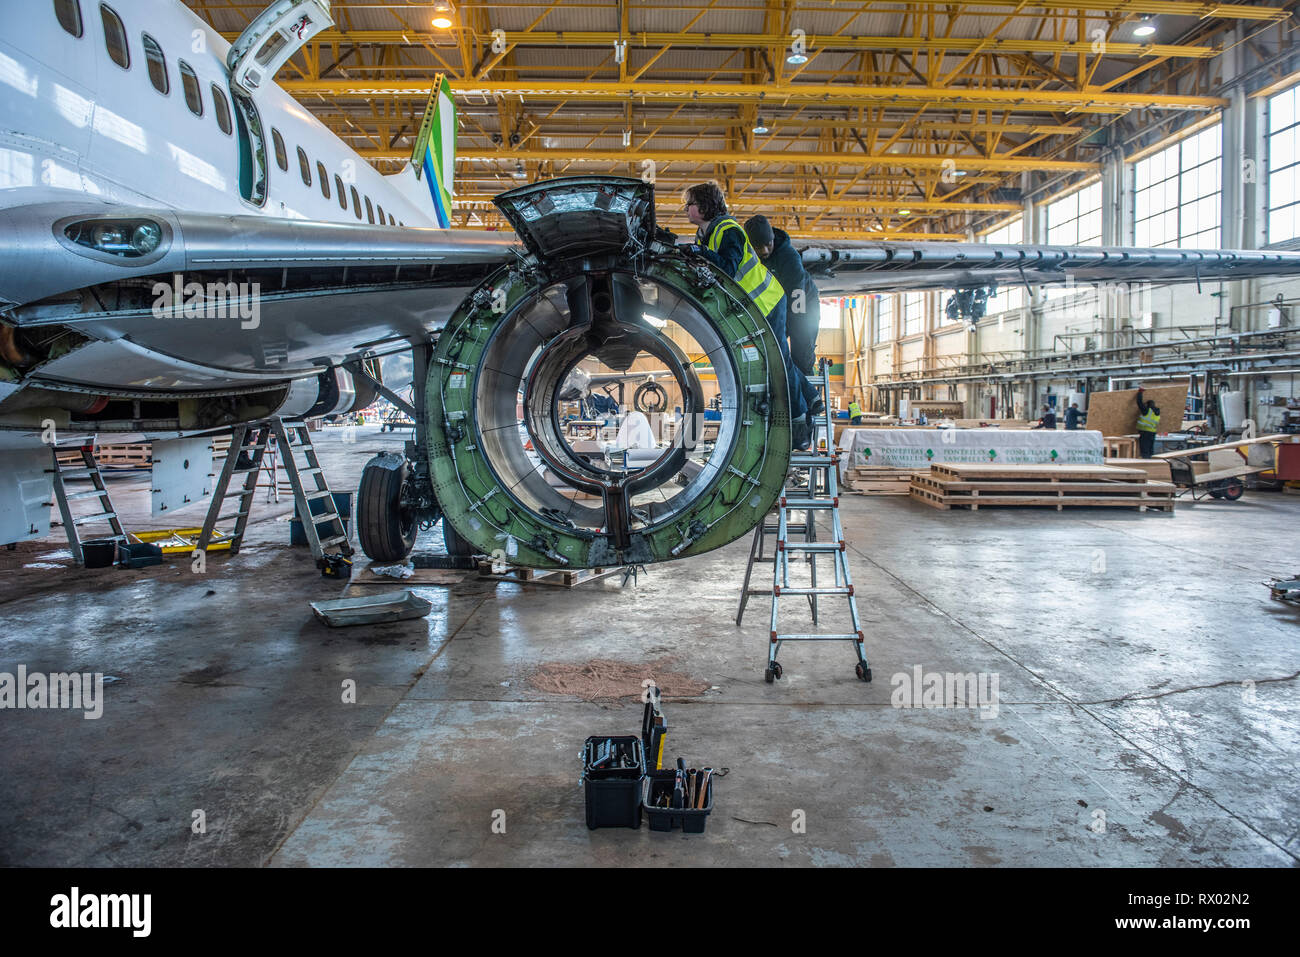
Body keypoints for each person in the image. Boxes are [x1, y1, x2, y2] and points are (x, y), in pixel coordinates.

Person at [681, 183, 809, 448]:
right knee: (770, 360)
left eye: (690, 203)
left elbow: (726, 267)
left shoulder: (729, 231)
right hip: (751, 307)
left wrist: (700, 254)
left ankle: (799, 422)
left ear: (704, 206)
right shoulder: (704, 234)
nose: (686, 209)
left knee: (779, 362)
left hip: (767, 302)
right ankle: (811, 398)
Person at [744, 215, 822, 415]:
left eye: (767, 245)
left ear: (772, 240)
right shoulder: (754, 256)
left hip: (803, 306)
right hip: (779, 307)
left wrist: (788, 329)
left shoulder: (788, 256)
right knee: (777, 354)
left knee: (801, 356)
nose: (764, 251)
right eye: (759, 248)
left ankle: (809, 406)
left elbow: (797, 298)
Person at [1135, 388, 1161, 458]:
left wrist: (1140, 393)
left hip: (1145, 432)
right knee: (1150, 450)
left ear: (1147, 405)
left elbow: (1139, 403)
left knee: (1144, 450)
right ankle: (1151, 463)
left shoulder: (1147, 411)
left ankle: (1146, 463)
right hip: (1152, 432)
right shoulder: (1157, 413)